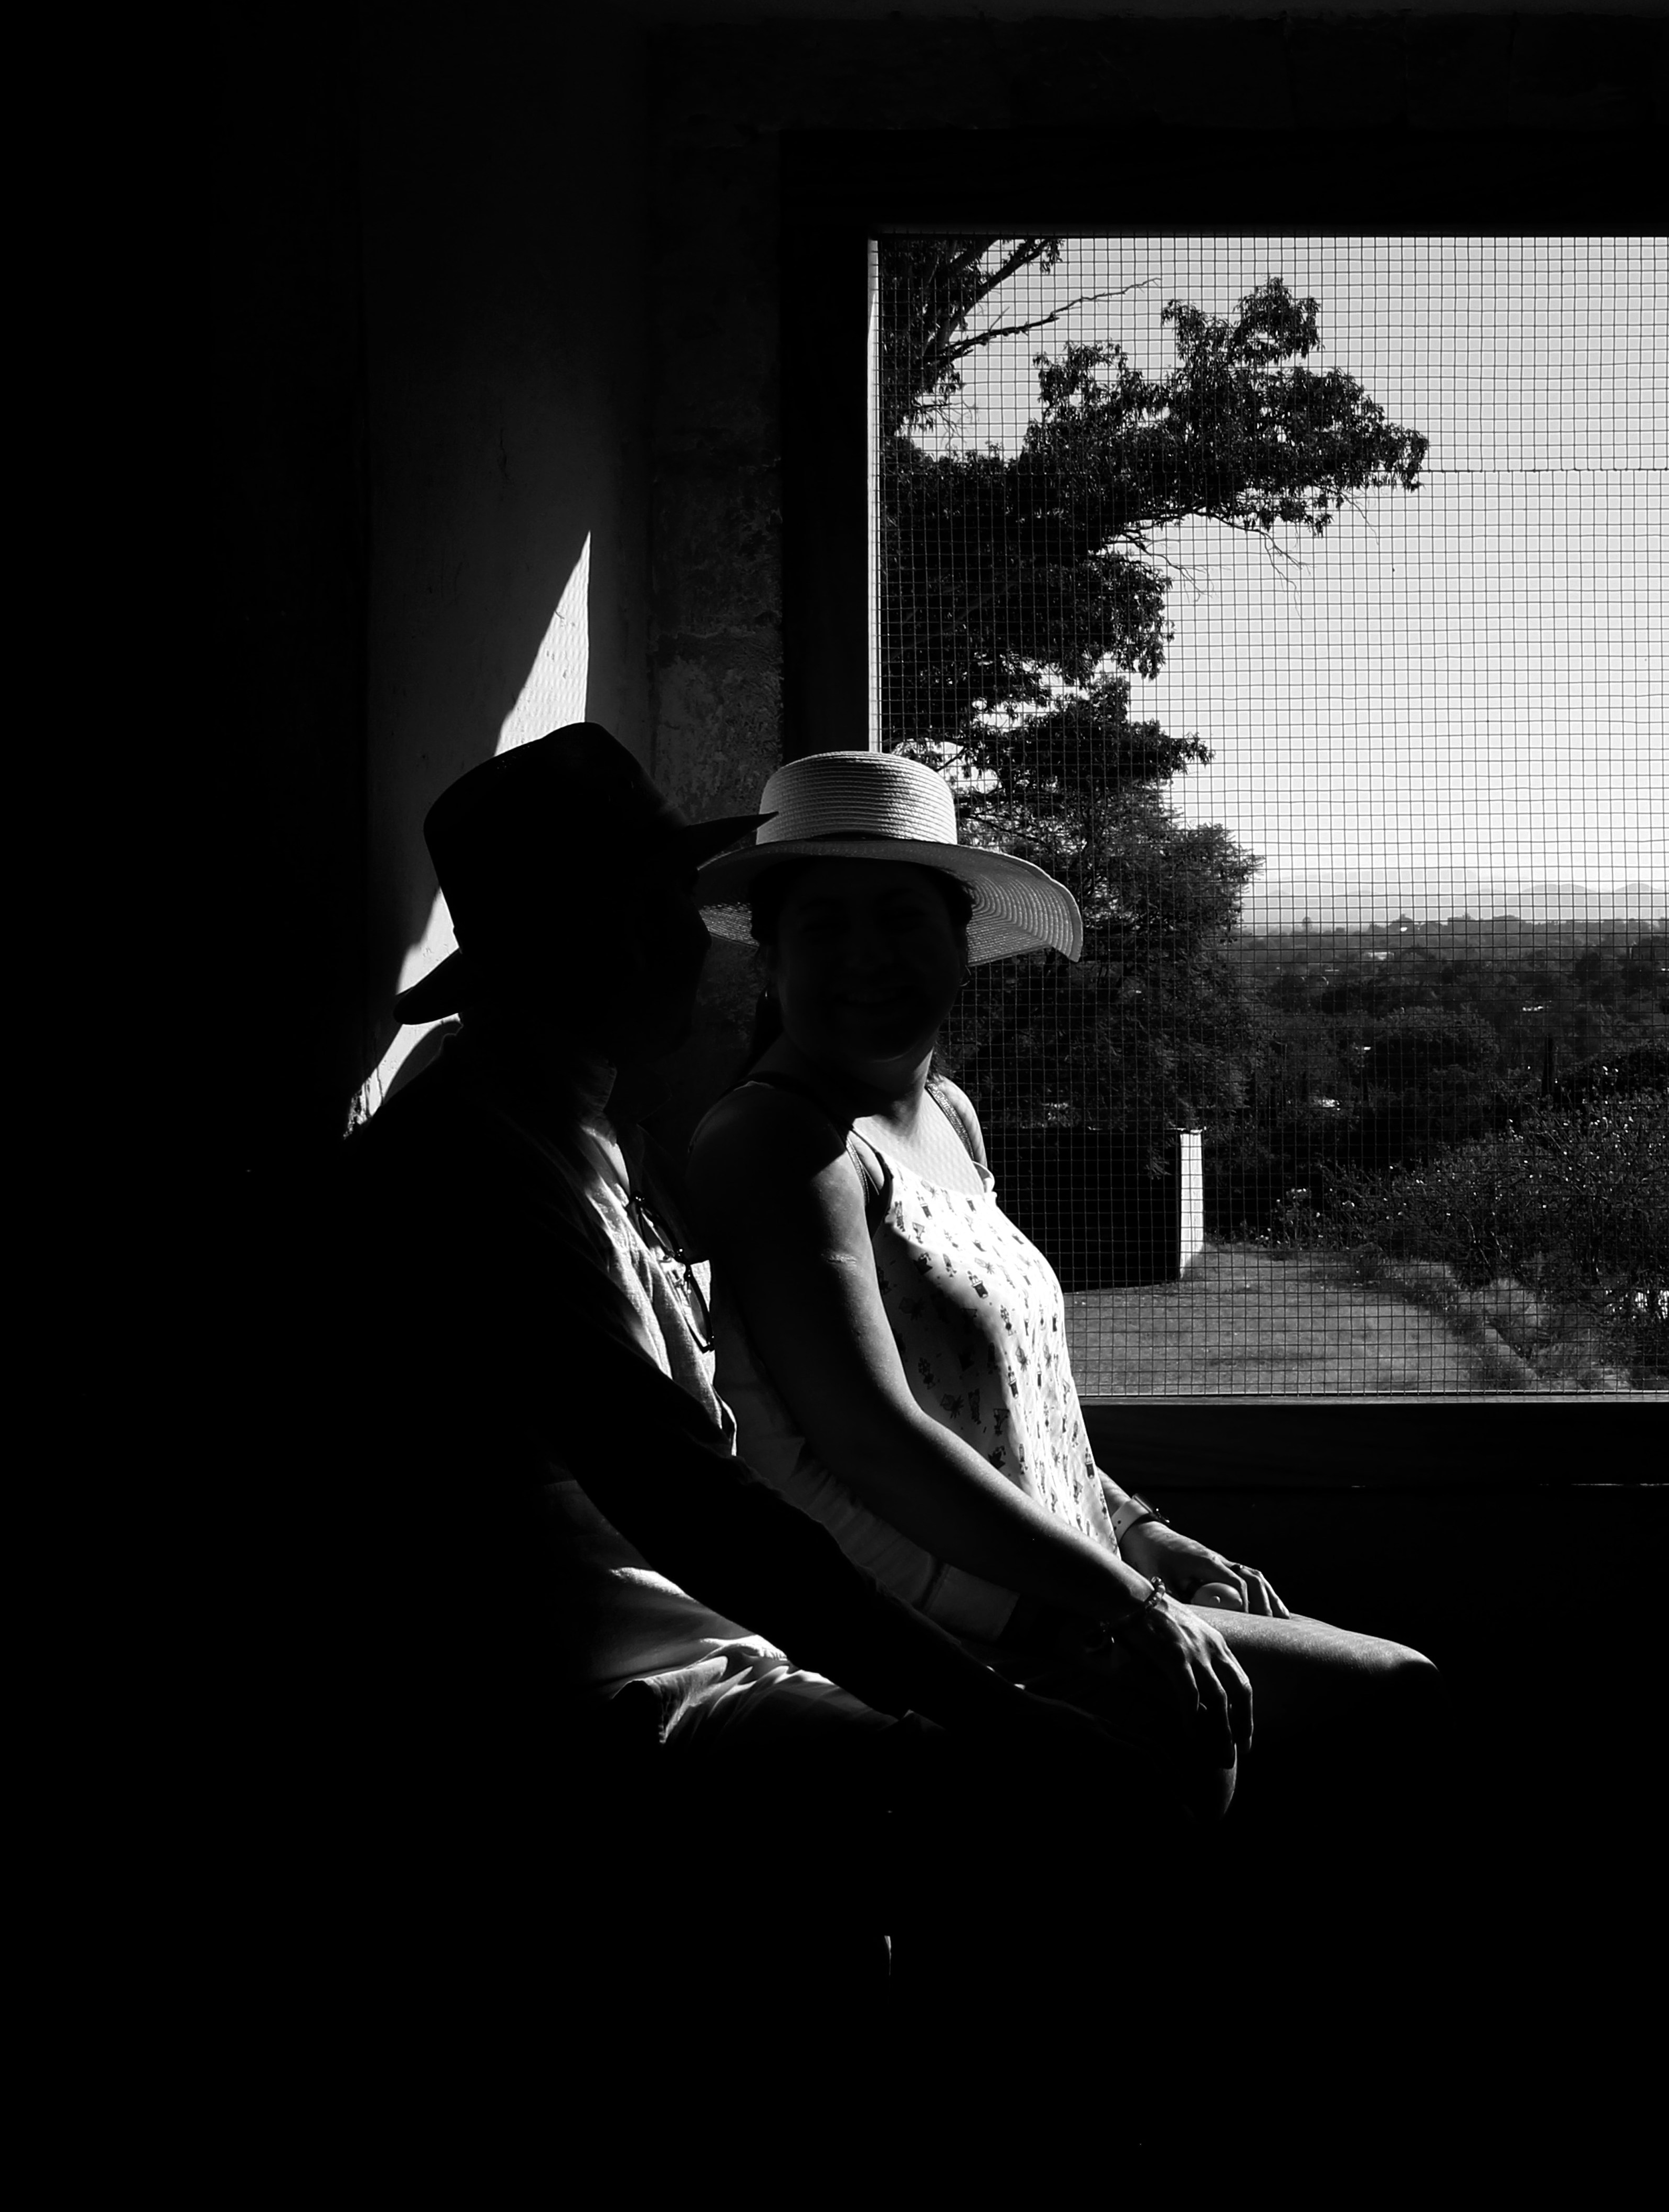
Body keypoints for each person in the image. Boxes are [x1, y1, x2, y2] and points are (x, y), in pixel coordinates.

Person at [321, 725, 1194, 2017]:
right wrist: (994, 1712)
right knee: (1087, 1819)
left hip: (704, 1656)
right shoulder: (483, 1166)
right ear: (616, 940)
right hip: (611, 1699)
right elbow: (696, 1502)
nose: (700, 951)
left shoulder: (575, 1130)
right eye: (675, 917)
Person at [683, 750, 1442, 1808]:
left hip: (1078, 1581)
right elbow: (872, 1444)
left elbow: (1027, 1406)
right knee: (1399, 1695)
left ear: (959, 943)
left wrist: (1143, 1533)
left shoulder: (945, 1115)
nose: (868, 957)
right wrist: (1128, 1610)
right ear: (769, 957)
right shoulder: (776, 1143)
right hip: (967, 1635)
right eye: (823, 925)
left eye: (901, 917)